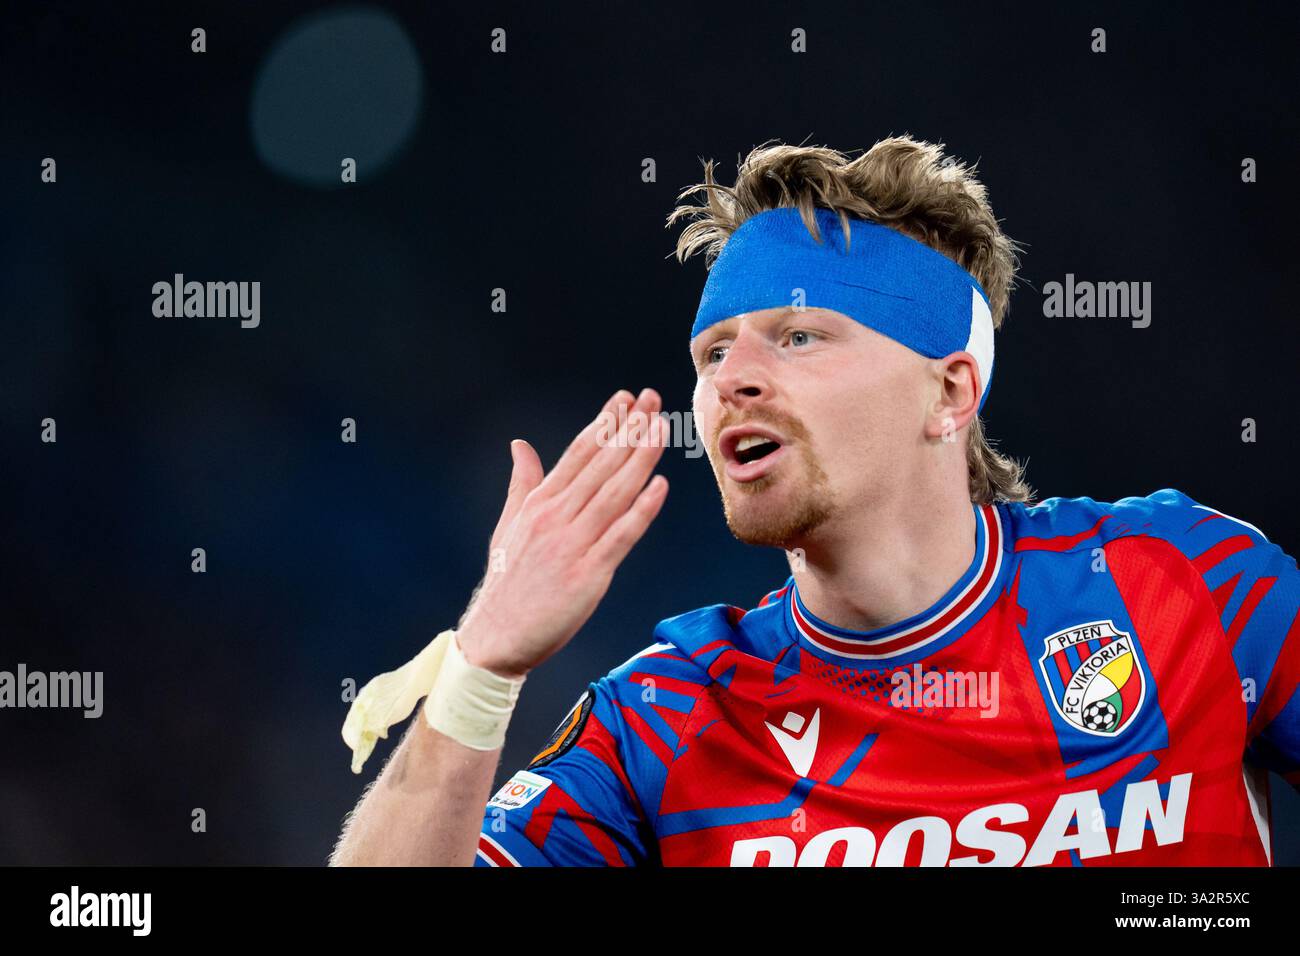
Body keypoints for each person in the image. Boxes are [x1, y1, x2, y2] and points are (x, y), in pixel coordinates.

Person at [330, 137, 1298, 867]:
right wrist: (484, 666)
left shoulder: (1184, 586)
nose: (731, 380)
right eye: (713, 352)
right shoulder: (667, 717)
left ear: (950, 393)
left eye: (797, 336)